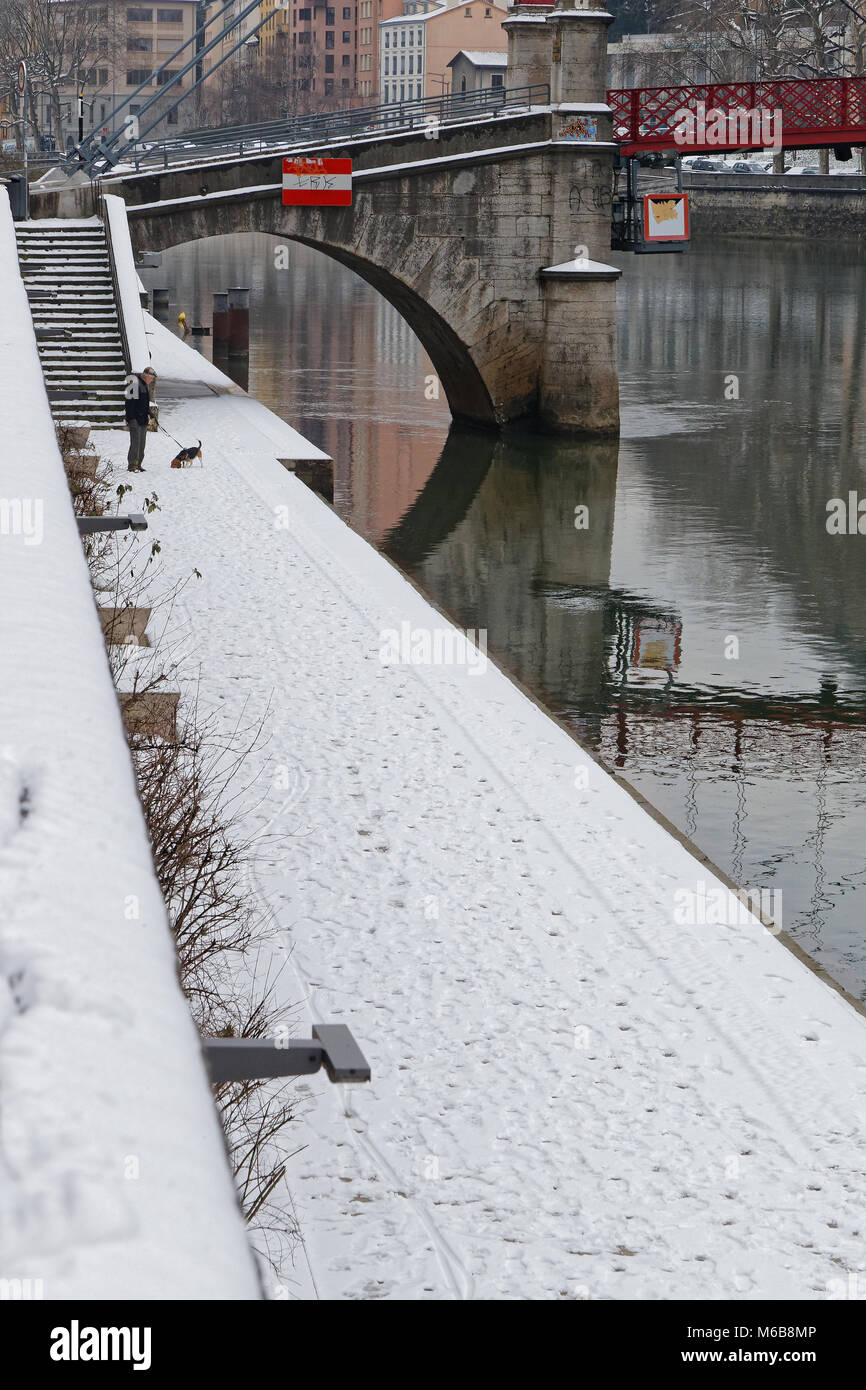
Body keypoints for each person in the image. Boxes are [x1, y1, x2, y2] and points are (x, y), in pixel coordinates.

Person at [125, 367, 157, 472]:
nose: (152, 380)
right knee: (135, 443)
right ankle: (132, 465)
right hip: (135, 420)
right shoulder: (134, 385)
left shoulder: (144, 385)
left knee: (141, 444)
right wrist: (131, 418)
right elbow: (129, 403)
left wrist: (150, 412)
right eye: (151, 378)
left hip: (143, 419)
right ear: (146, 376)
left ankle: (138, 464)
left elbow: (143, 403)